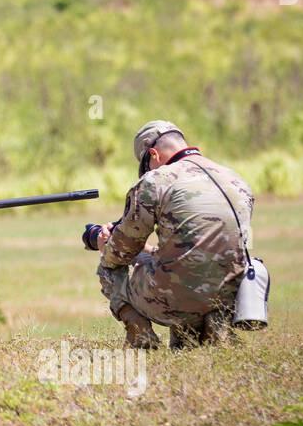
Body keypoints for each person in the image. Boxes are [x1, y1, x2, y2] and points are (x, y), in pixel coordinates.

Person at [91, 120, 255, 349]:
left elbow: (119, 253)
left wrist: (105, 244)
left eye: (147, 165)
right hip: (232, 296)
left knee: (108, 268)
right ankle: (216, 327)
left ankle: (140, 333)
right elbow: (199, 248)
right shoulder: (235, 179)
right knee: (185, 271)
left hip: (178, 298)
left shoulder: (156, 181)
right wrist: (147, 252)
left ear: (153, 155)